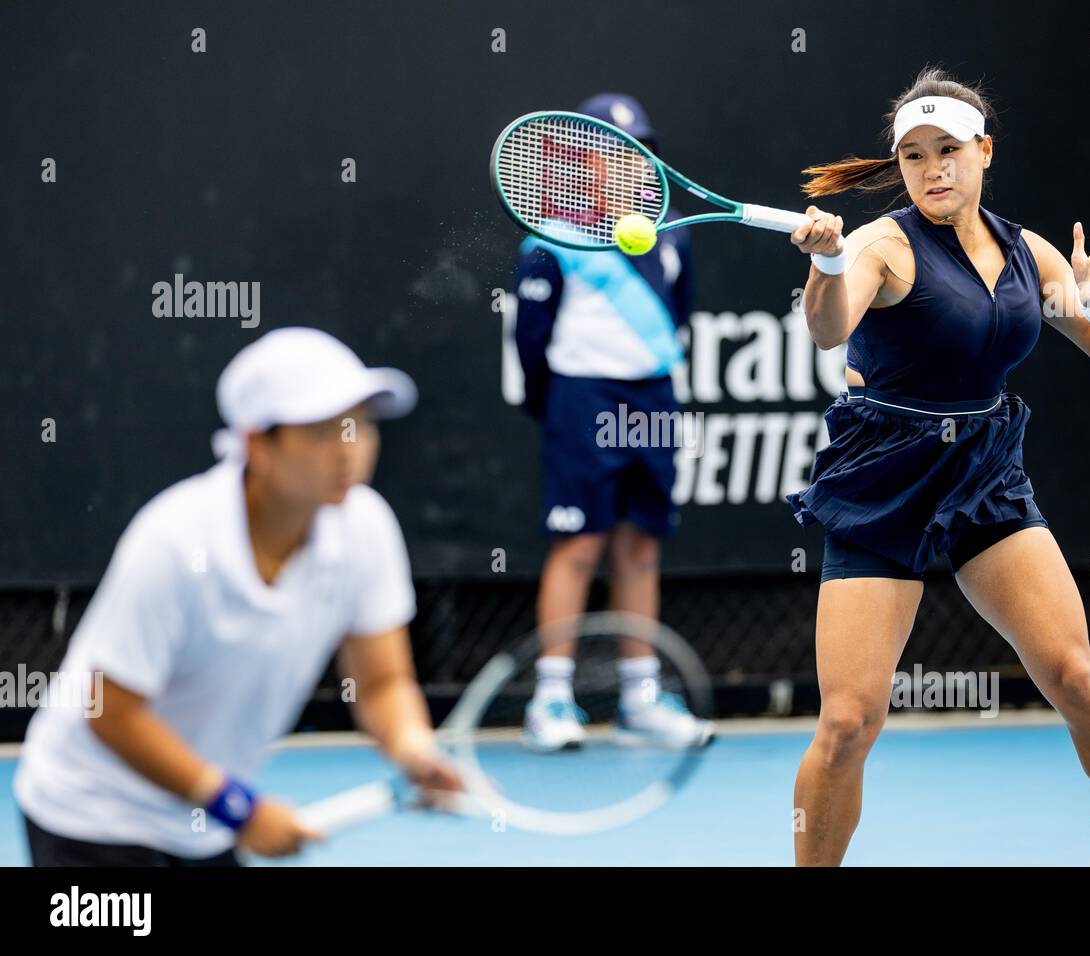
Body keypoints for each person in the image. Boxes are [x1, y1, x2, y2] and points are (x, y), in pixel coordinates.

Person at [785, 66, 1090, 867]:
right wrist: (827, 265)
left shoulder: (1028, 252)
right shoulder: (879, 245)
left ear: (983, 152)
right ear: (899, 167)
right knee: (849, 721)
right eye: (914, 157)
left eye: (949, 150)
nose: (933, 169)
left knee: (1076, 677)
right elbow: (829, 331)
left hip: (983, 473)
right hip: (883, 478)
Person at [13, 327, 463, 865]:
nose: (350, 450)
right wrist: (238, 808)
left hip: (203, 827)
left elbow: (382, 683)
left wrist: (413, 748)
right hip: (89, 820)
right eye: (322, 431)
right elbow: (109, 710)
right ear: (257, 445)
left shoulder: (366, 528)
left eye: (361, 426)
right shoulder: (175, 541)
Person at [512, 92, 715, 751]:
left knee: (642, 544)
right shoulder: (551, 239)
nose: (627, 164)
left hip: (654, 396)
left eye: (638, 152)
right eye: (609, 151)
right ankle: (550, 702)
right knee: (578, 546)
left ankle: (639, 698)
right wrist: (560, 406)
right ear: (579, 161)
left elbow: (678, 317)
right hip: (582, 398)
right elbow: (530, 340)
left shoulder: (675, 230)